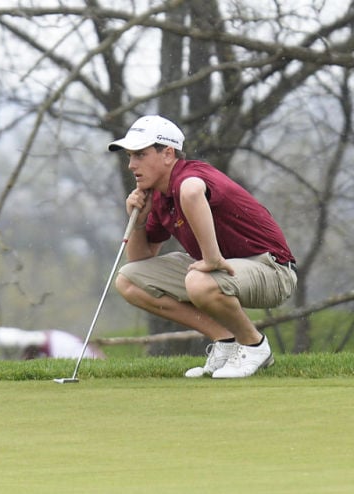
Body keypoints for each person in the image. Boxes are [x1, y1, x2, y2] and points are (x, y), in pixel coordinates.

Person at [108, 115, 297, 378]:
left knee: (199, 281)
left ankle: (254, 345)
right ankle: (227, 341)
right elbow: (140, 260)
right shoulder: (159, 196)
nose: (131, 165)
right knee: (128, 280)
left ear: (168, 154)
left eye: (140, 154)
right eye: (130, 156)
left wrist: (211, 258)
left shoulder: (189, 177)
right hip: (225, 269)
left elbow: (193, 191)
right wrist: (139, 221)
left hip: (272, 269)